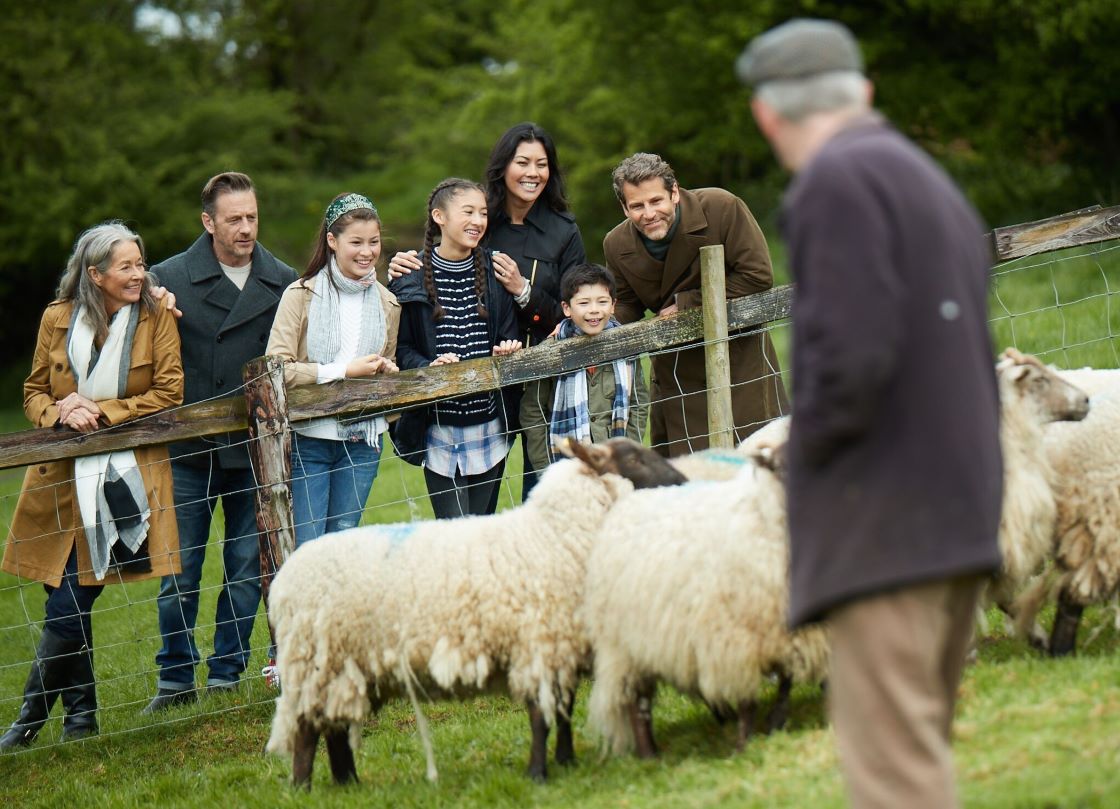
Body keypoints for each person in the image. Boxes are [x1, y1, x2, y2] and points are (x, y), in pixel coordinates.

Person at [739, 18, 1003, 809]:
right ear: (863, 93)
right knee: (919, 760)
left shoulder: (835, 181)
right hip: (957, 511)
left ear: (768, 113)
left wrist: (800, 455)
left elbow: (851, 359)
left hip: (886, 521)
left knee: (895, 782)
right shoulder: (921, 175)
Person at [1, 222, 184, 749]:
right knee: (61, 595)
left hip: (122, 479)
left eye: (140, 263)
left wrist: (97, 411)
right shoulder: (56, 319)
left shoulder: (156, 316)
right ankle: (81, 719)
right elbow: (34, 389)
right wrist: (60, 409)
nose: (139, 274)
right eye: (126, 266)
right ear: (95, 274)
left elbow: (171, 392)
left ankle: (26, 723)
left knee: (70, 600)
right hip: (56, 483)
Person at [144, 172, 297, 712]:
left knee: (244, 569)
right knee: (177, 572)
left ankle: (227, 672)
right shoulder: (165, 279)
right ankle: (175, 679)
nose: (246, 228)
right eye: (234, 218)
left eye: (252, 216)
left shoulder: (283, 281)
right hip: (186, 451)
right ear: (208, 222)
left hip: (253, 450)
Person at [390, 123, 586, 496]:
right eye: (522, 162)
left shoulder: (564, 231)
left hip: (545, 376)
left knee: (544, 488)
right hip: (482, 388)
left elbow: (575, 311)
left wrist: (523, 290)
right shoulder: (478, 220)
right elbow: (437, 268)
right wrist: (402, 266)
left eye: (542, 164)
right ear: (503, 166)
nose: (533, 173)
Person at [603, 152, 788, 458]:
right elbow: (627, 307)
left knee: (758, 464)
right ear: (624, 208)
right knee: (690, 475)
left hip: (740, 360)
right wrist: (594, 320)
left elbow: (758, 275)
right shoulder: (616, 244)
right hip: (676, 370)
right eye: (637, 206)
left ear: (674, 193)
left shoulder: (721, 207)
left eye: (656, 201)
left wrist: (688, 302)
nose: (649, 213)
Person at [267, 193, 401, 546]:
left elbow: (387, 369)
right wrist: (343, 370)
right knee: (306, 549)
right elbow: (275, 369)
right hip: (309, 440)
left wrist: (387, 371)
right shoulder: (301, 295)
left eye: (373, 242)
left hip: (363, 444)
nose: (367, 251)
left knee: (340, 550)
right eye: (356, 242)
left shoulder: (387, 303)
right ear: (332, 240)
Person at [389, 178, 522, 519]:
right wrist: (429, 365)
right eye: (468, 212)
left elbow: (509, 332)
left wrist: (507, 349)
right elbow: (400, 348)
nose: (478, 220)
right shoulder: (410, 275)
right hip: (438, 429)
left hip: (489, 426)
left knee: (482, 532)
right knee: (453, 536)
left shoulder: (495, 270)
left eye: (482, 213)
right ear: (440, 217)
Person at [519, 263, 648, 473]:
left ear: (613, 305)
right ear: (567, 308)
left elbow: (638, 403)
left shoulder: (626, 347)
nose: (594, 310)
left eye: (602, 301)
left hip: (614, 458)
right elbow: (533, 411)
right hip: (567, 461)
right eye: (584, 303)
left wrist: (630, 457)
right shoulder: (550, 352)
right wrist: (546, 469)